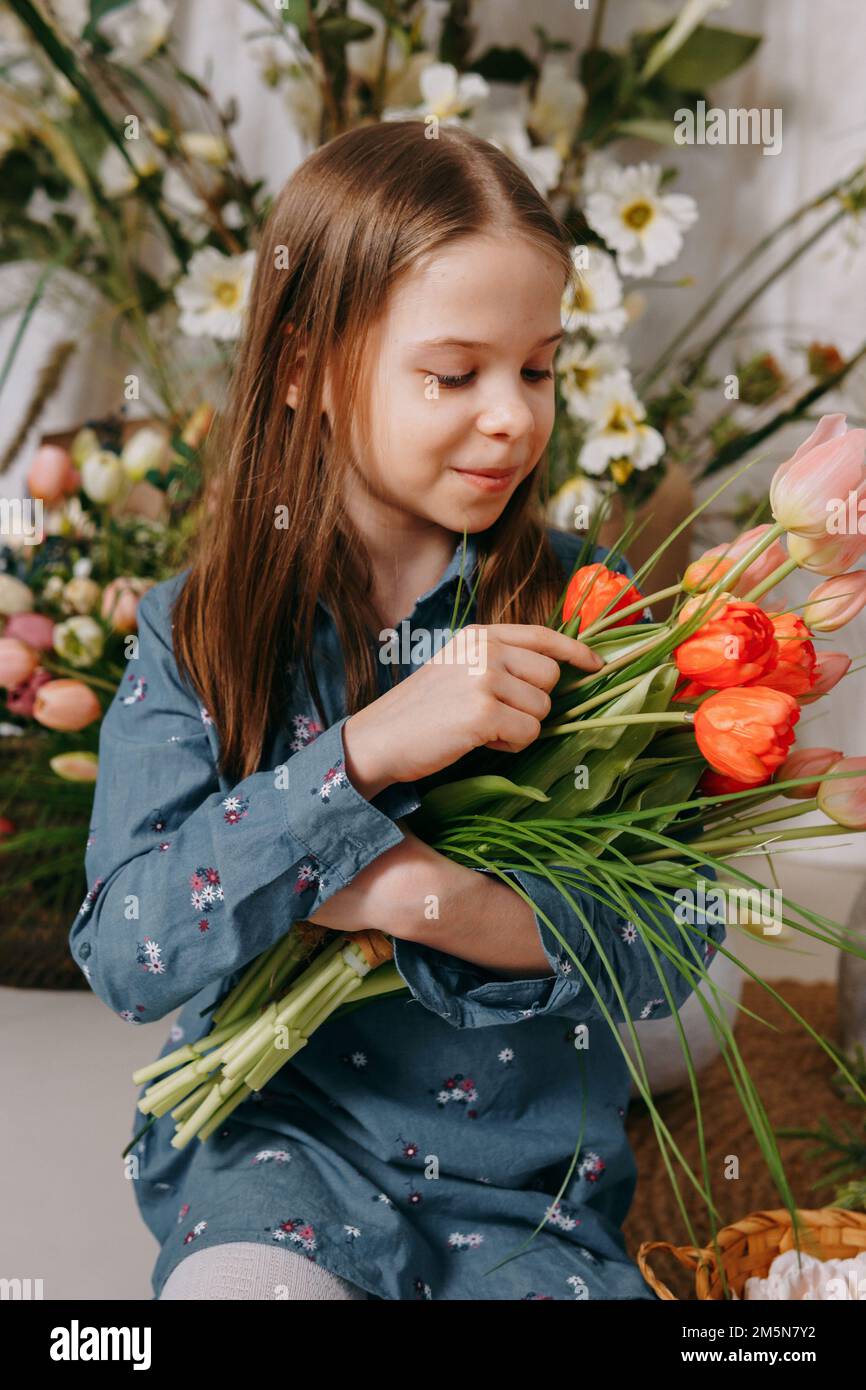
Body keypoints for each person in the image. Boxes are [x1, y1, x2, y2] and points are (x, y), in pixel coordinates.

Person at [70, 119, 724, 1301]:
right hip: (279, 1162)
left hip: (524, 1191)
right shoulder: (199, 628)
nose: (511, 418)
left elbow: (673, 940)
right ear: (306, 370)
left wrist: (410, 895)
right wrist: (365, 752)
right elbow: (129, 951)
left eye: (537, 368)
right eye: (453, 373)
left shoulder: (592, 614)